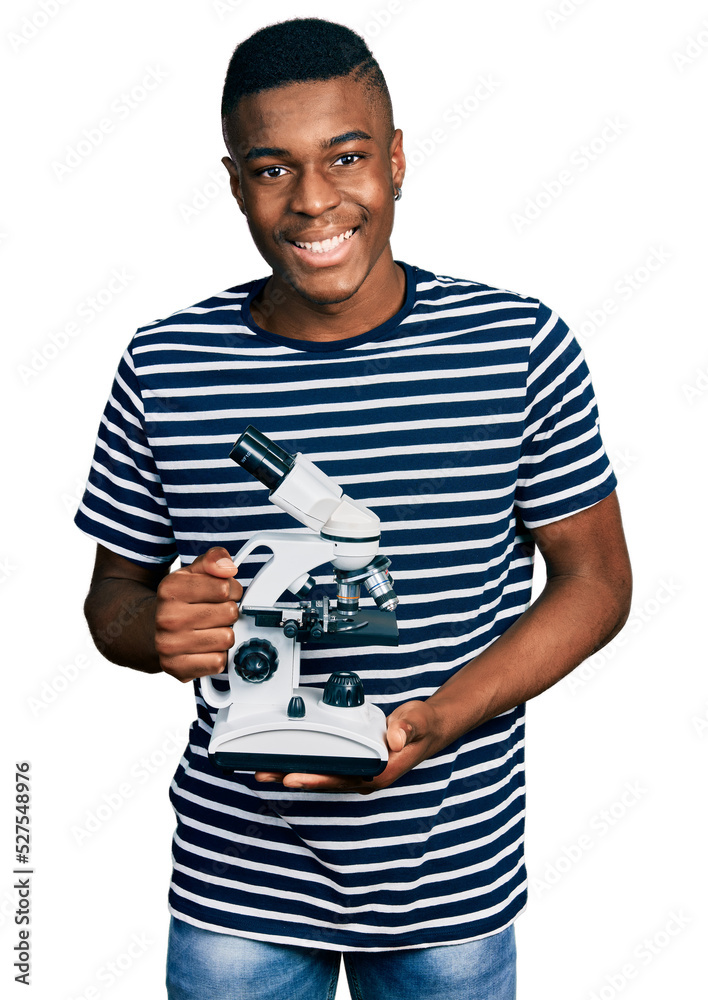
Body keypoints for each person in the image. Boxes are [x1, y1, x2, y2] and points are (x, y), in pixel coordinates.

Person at [75, 17, 632, 1000]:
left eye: (346, 156)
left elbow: (597, 583)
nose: (314, 198)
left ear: (397, 159)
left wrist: (440, 718)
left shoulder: (518, 345)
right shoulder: (164, 364)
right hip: (235, 886)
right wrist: (156, 627)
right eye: (273, 168)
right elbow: (112, 601)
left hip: (450, 885)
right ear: (235, 184)